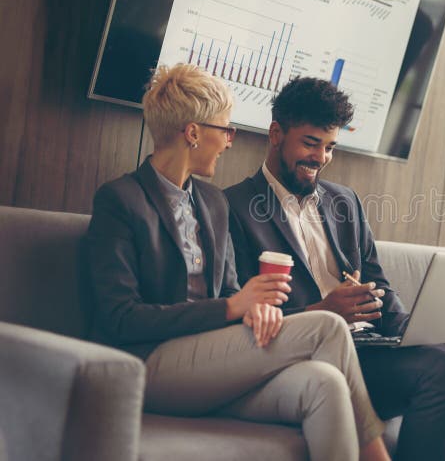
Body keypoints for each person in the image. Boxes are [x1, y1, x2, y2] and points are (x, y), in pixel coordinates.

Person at [225, 76, 445, 461]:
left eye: (330, 147)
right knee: (443, 366)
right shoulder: (233, 208)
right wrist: (325, 312)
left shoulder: (343, 203)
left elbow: (379, 287)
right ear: (276, 134)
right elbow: (241, 322)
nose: (321, 158)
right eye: (311, 143)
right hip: (322, 361)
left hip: (380, 352)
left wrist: (415, 332)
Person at [86, 64, 389, 461]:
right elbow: (120, 318)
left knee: (325, 384)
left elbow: (231, 292)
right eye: (225, 130)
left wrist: (255, 309)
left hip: (214, 363)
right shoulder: (120, 201)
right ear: (193, 133)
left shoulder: (212, 203)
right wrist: (231, 307)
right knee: (328, 326)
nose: (230, 142)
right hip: (150, 364)